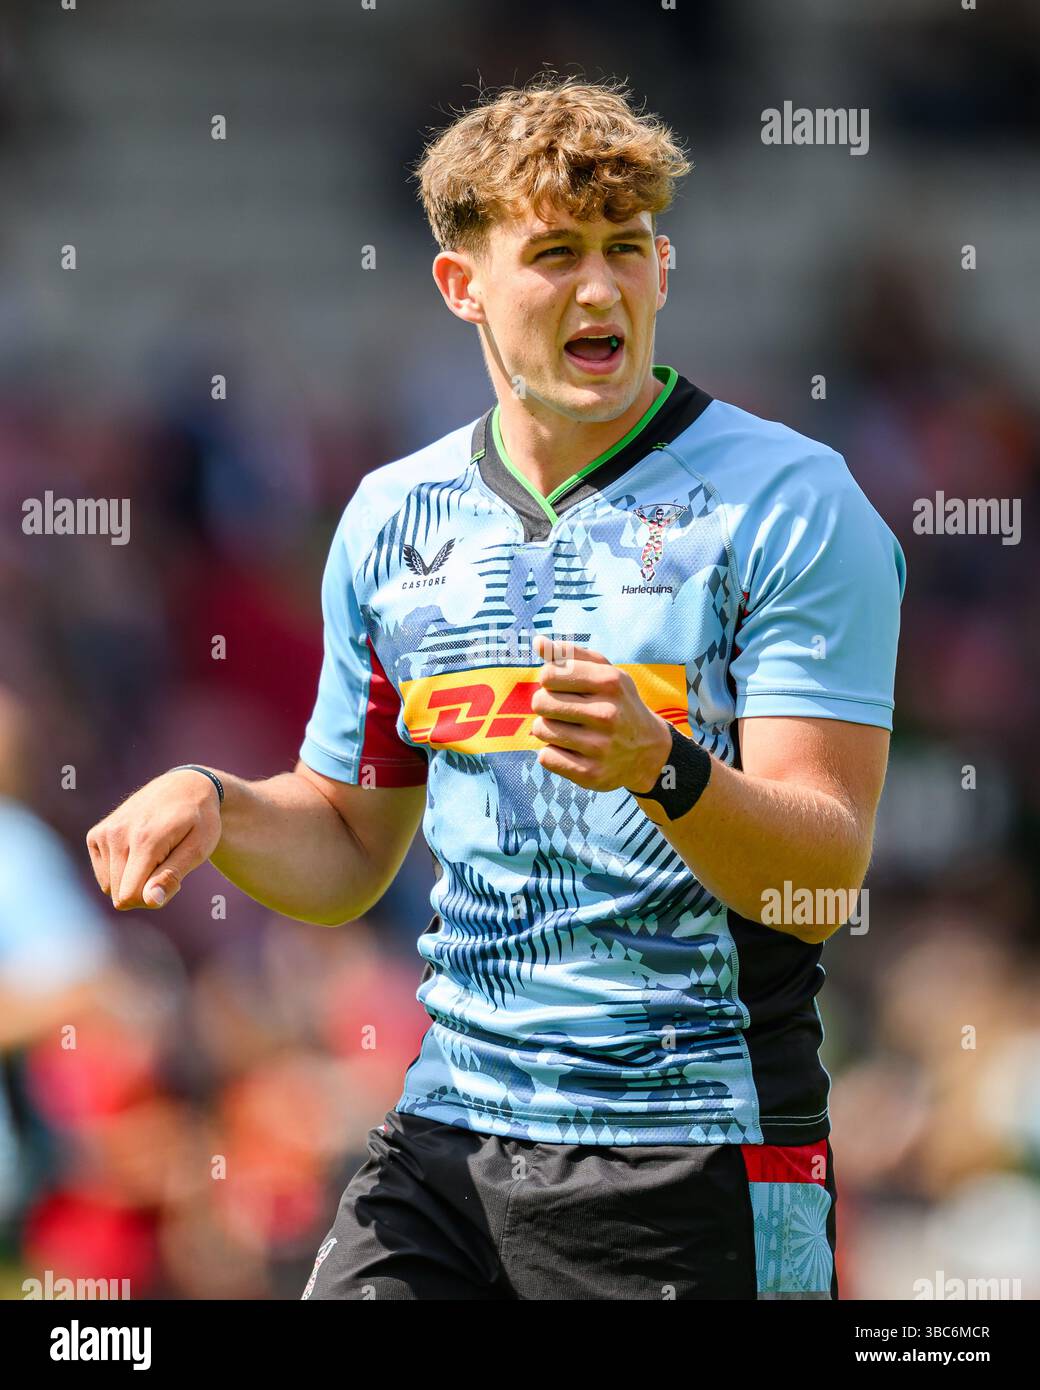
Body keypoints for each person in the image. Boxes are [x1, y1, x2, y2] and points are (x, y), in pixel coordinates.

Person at [86, 74, 906, 1300]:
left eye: (625, 250)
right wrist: (222, 804)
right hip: (450, 1136)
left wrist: (660, 767)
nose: (598, 288)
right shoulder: (389, 518)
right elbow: (351, 842)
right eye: (555, 252)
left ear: (662, 270)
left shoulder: (790, 504)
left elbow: (820, 876)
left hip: (691, 1154)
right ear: (460, 284)